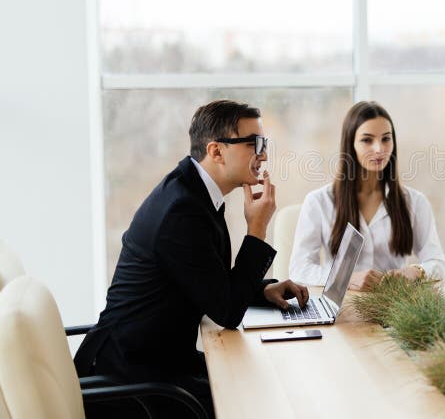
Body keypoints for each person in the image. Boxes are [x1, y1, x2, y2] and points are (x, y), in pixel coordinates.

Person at [74, 100, 309, 418]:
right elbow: (227, 312)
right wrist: (257, 229)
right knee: (257, 399)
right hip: (132, 381)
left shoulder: (195, 192)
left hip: (158, 363)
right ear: (216, 151)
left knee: (262, 382)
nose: (264, 154)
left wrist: (261, 289)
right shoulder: (181, 210)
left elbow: (207, 281)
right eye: (254, 143)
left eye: (264, 143)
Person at [289, 101, 445, 290]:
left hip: (394, 308)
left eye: (386, 139)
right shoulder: (319, 201)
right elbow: (300, 269)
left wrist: (414, 271)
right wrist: (346, 278)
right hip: (342, 309)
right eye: (367, 140)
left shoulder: (414, 202)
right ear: (351, 144)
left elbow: (437, 263)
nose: (379, 149)